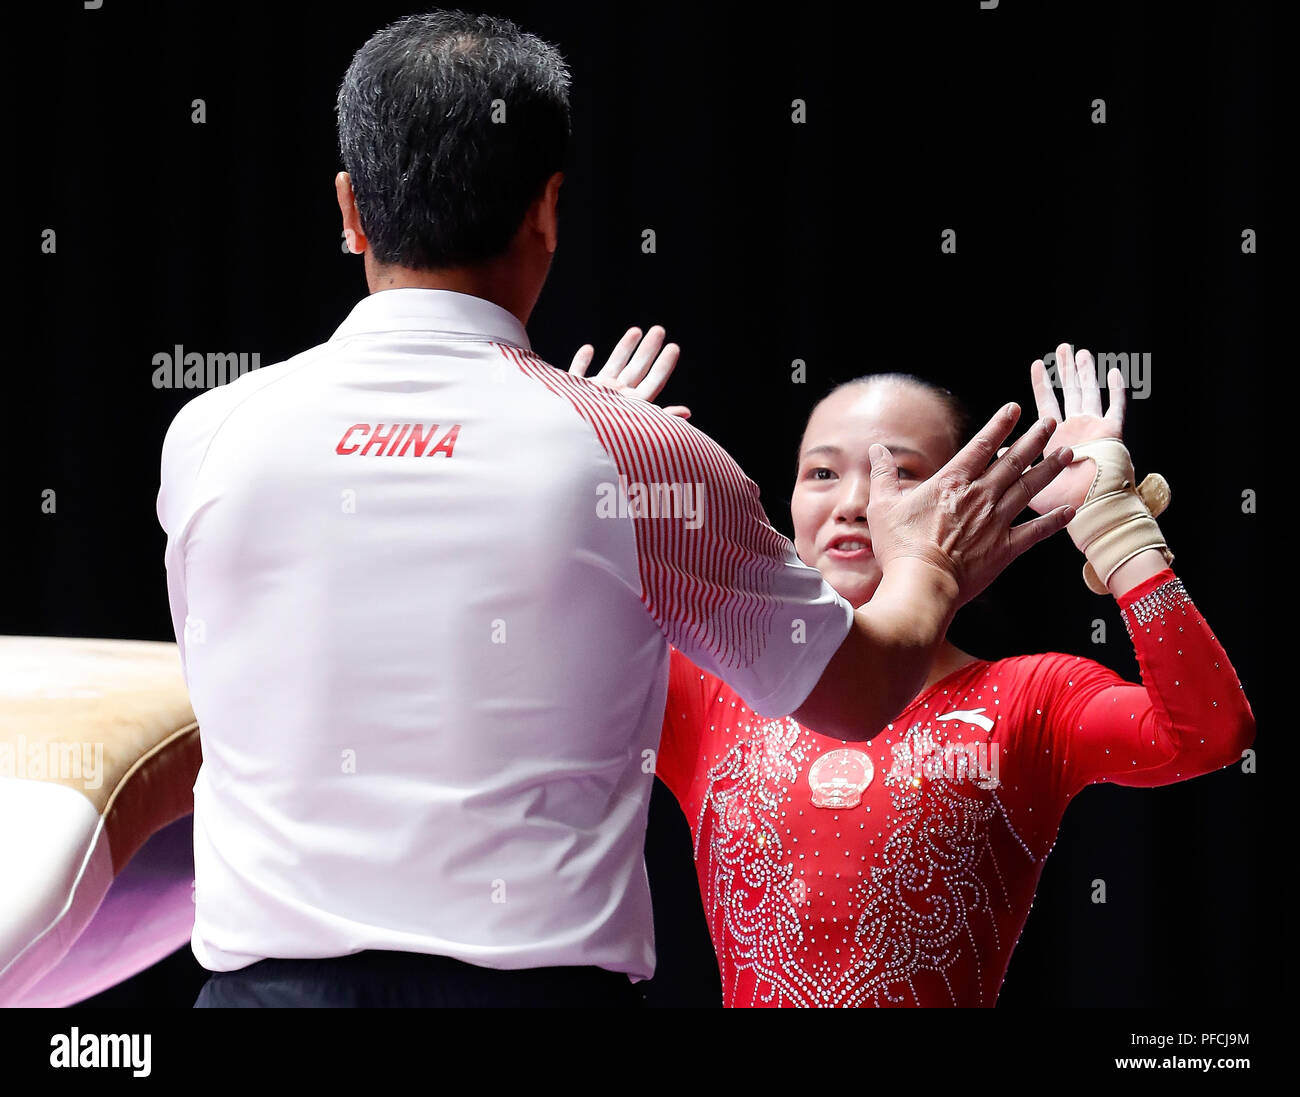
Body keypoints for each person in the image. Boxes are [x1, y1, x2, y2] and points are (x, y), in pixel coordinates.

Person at [157, 10, 1074, 1007]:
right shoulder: (637, 456)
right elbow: (857, 694)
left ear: (349, 210)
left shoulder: (209, 433)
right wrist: (932, 564)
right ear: (549, 207)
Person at [651, 345, 1256, 1007]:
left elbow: (1210, 730)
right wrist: (571, 474)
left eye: (900, 474)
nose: (855, 502)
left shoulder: (1033, 700)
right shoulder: (708, 687)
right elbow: (527, 691)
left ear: (972, 503)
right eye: (822, 471)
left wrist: (1115, 527)